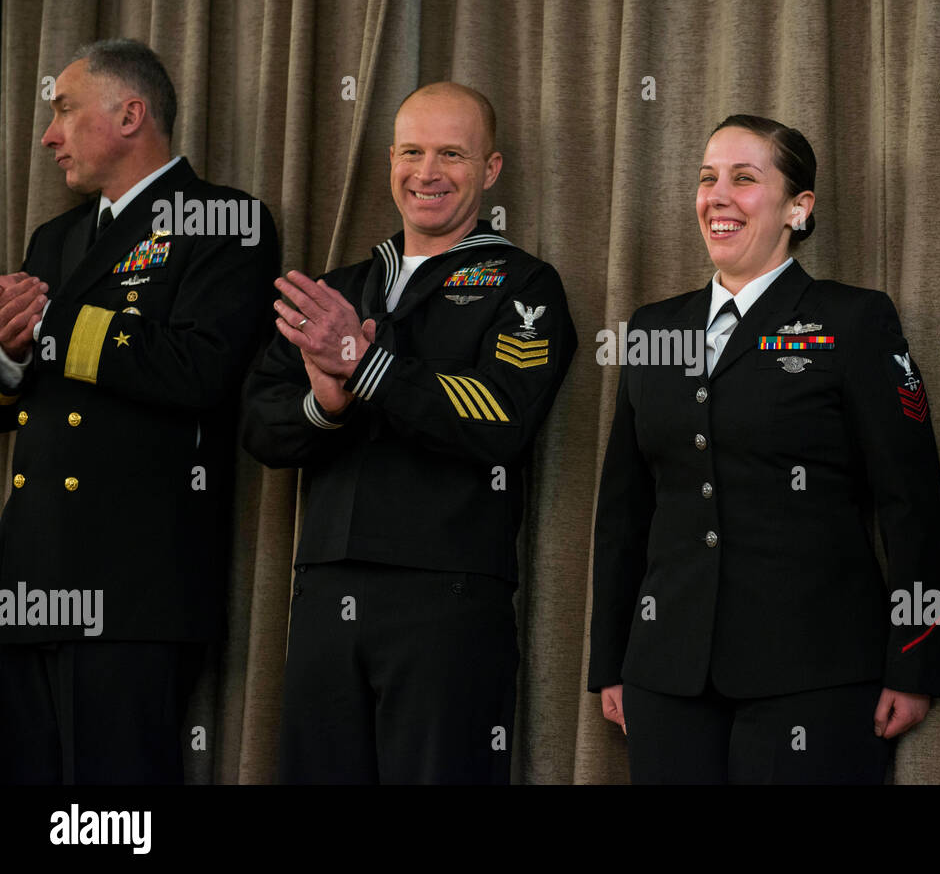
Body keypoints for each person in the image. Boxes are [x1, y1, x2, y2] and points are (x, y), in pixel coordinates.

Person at [587, 114, 940, 784]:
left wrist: (915, 660)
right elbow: (623, 512)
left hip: (816, 673)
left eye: (745, 179)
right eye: (707, 178)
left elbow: (912, 505)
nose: (717, 196)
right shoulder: (652, 328)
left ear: (799, 207)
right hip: (667, 675)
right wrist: (612, 661)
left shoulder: (855, 320)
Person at [242, 82, 575, 784]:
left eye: (451, 153)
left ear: (490, 169)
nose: (427, 172)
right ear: (389, 159)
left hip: (446, 601)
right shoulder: (336, 289)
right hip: (324, 591)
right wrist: (326, 403)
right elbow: (260, 421)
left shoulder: (526, 287)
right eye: (413, 151)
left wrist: (366, 366)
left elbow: (499, 418)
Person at [0, 38, 280, 783]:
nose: (49, 134)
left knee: (113, 812)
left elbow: (199, 369)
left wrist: (53, 323)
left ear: (130, 114)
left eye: (63, 109)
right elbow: (23, 400)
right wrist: (8, 353)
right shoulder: (54, 238)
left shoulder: (224, 221)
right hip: (30, 571)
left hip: (131, 581)